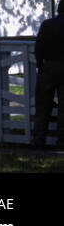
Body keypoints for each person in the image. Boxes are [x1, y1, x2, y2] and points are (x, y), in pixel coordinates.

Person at [33, 12, 64, 148]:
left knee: (43, 106)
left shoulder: (46, 24)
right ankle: (61, 140)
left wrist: (41, 64)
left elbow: (38, 47)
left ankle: (39, 140)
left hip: (48, 66)